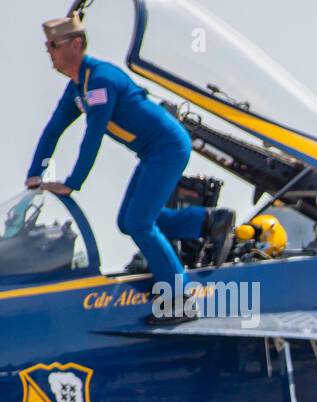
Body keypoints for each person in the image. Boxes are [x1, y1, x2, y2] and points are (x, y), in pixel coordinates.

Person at [25, 14, 234, 323]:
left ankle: (179, 298)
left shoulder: (100, 81)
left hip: (167, 147)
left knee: (139, 223)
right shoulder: (77, 88)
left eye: (54, 45)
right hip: (153, 151)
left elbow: (93, 134)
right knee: (128, 221)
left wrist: (72, 182)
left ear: (76, 44)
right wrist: (35, 174)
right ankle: (206, 222)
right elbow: (53, 130)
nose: (49, 52)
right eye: (47, 46)